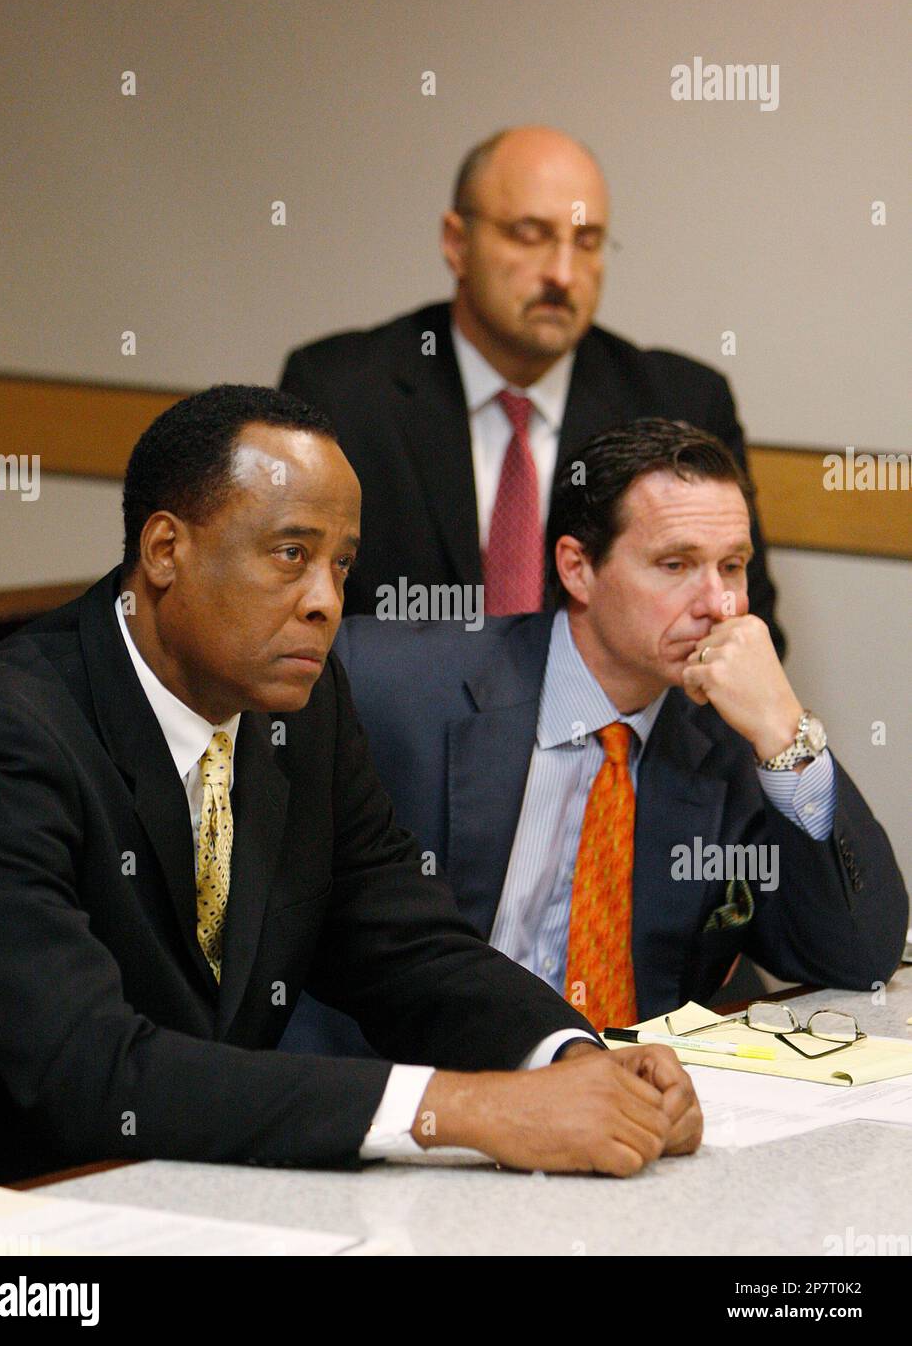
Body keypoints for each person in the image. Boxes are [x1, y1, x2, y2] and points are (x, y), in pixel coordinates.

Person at [0, 386, 702, 1186]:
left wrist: (573, 1059)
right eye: (290, 555)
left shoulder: (302, 709)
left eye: (341, 564)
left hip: (246, 1191)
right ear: (166, 550)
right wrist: (461, 1109)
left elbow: (402, 945)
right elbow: (86, 1072)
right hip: (55, 1215)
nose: (327, 602)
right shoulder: (0, 735)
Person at [282, 419, 906, 1058]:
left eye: (733, 566)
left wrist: (785, 732)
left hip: (626, 1105)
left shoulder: (735, 741)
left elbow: (857, 958)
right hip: (425, 1098)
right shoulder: (391, 686)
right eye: (676, 564)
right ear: (577, 569)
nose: (720, 604)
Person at [280, 125, 785, 655]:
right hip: (391, 733)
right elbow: (290, 619)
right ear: (457, 243)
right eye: (530, 235)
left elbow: (747, 636)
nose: (563, 274)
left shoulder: (678, 402)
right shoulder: (345, 390)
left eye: (586, 242)